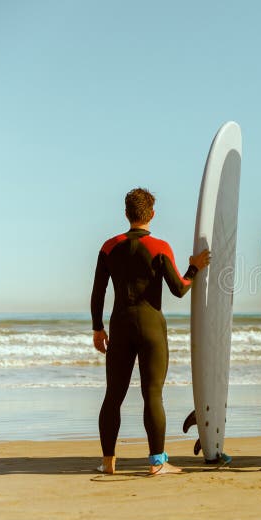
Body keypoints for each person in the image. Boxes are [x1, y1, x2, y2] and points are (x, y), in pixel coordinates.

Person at [91, 188, 210, 475]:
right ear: (152, 214)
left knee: (113, 396)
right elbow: (179, 288)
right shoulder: (159, 247)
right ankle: (157, 463)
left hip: (120, 326)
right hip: (152, 328)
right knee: (153, 395)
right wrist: (193, 268)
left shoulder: (109, 247)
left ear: (126, 213)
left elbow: (98, 293)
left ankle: (108, 462)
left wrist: (98, 328)